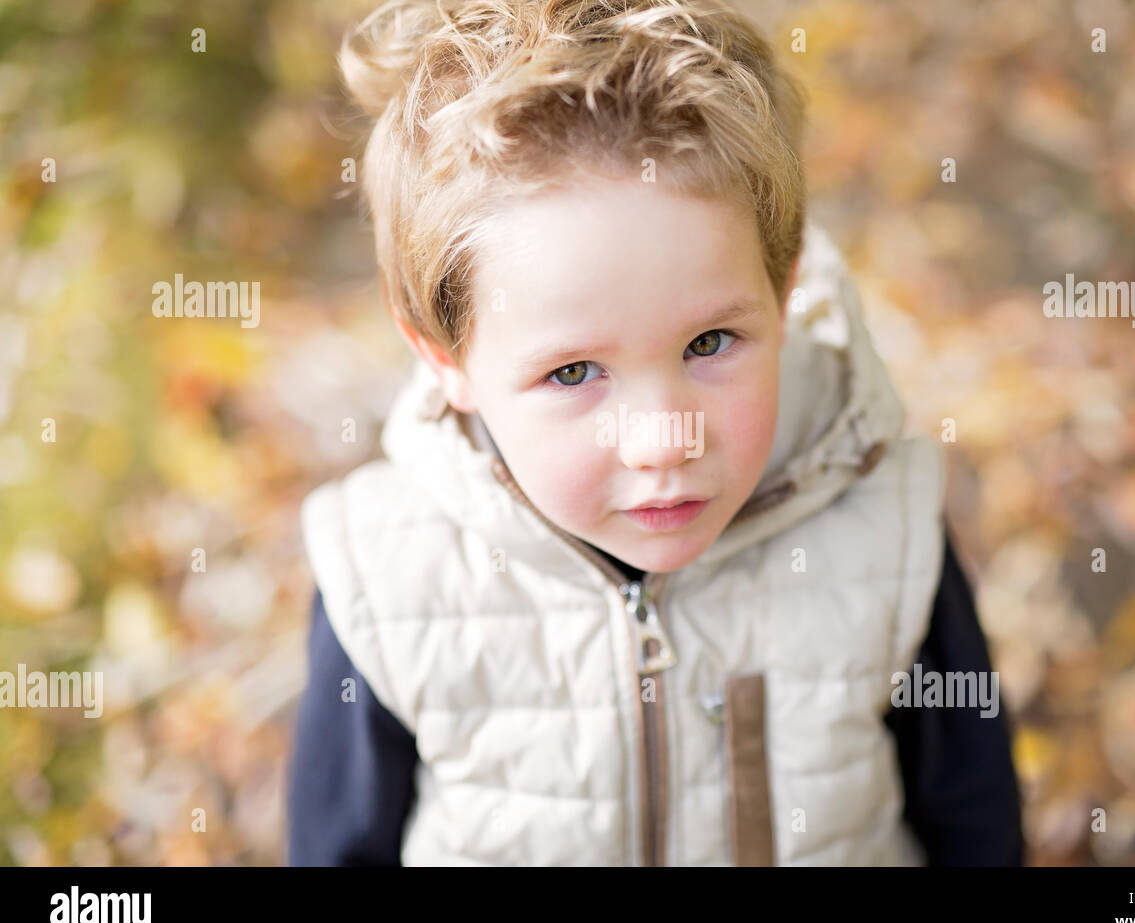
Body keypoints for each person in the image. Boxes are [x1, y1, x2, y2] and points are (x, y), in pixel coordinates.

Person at [288, 0, 1023, 866]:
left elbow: (974, 822)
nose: (664, 439)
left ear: (782, 297)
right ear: (447, 358)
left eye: (709, 343)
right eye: (573, 373)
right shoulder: (387, 581)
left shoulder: (883, 524)